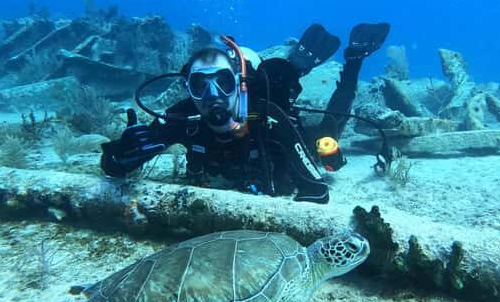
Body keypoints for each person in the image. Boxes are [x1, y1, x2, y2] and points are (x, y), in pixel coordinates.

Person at [100, 23, 390, 204]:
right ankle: (296, 63)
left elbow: (316, 190)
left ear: (238, 84)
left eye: (223, 83)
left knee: (327, 135)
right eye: (201, 86)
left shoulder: (267, 114)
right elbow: (113, 167)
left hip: (284, 143)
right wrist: (125, 154)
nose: (213, 97)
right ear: (189, 89)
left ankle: (352, 60)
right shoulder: (183, 118)